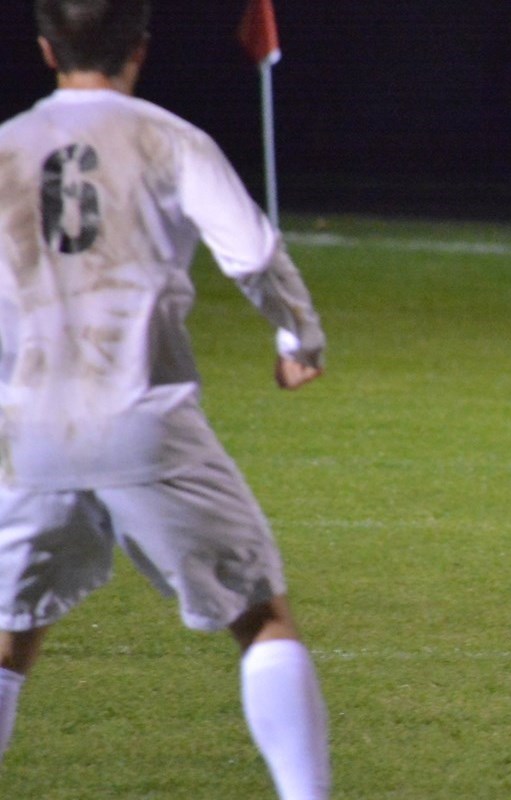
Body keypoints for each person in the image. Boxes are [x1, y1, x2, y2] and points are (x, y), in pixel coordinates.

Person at [0, 1, 332, 797]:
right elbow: (251, 251)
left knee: (10, 644)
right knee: (261, 618)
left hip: (31, 428)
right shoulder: (169, 138)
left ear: (46, 49)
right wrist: (298, 341)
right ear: (140, 50)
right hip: (145, 418)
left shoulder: (6, 147)